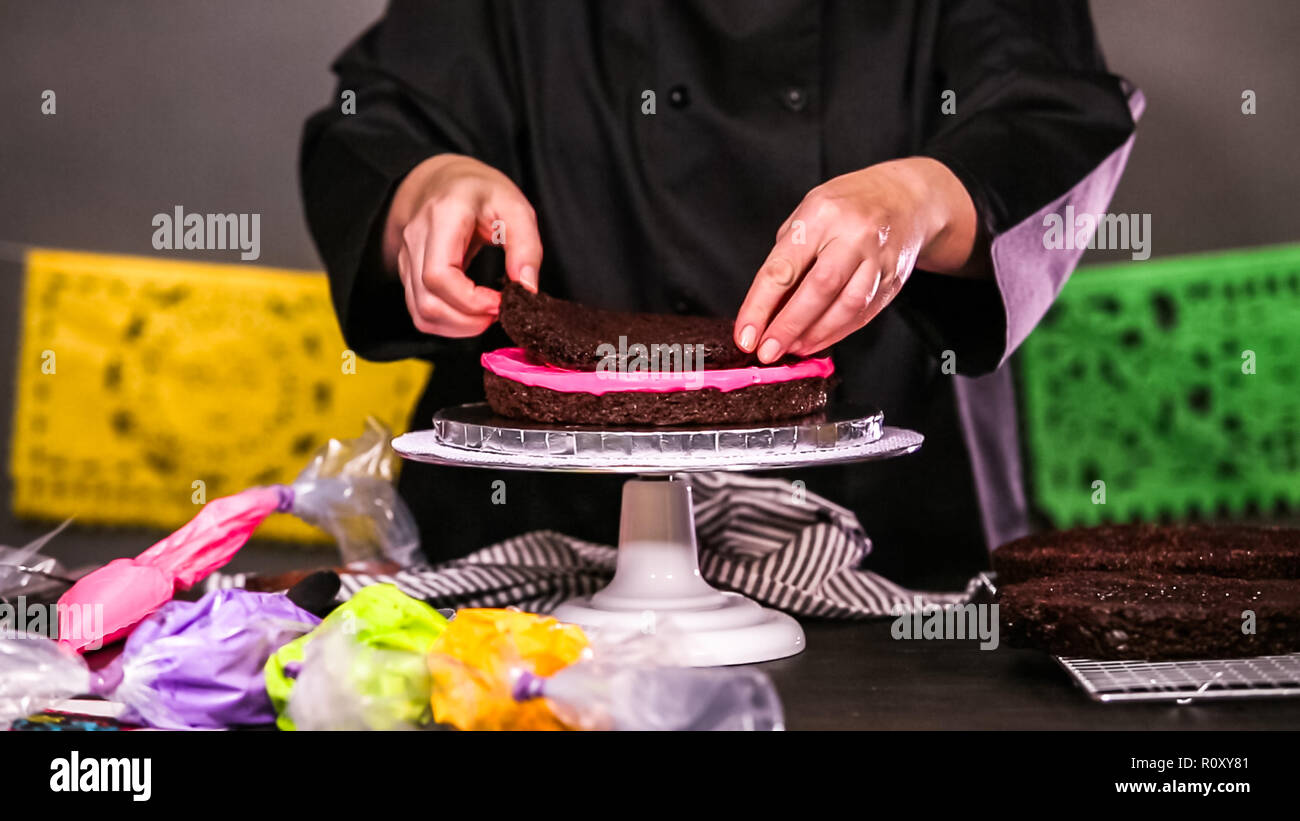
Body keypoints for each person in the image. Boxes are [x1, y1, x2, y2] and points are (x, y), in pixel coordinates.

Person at [301, 0, 1141, 588]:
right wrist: (427, 185)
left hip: (885, 534)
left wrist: (925, 199)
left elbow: (1053, 108)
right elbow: (377, 110)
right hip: (527, 547)